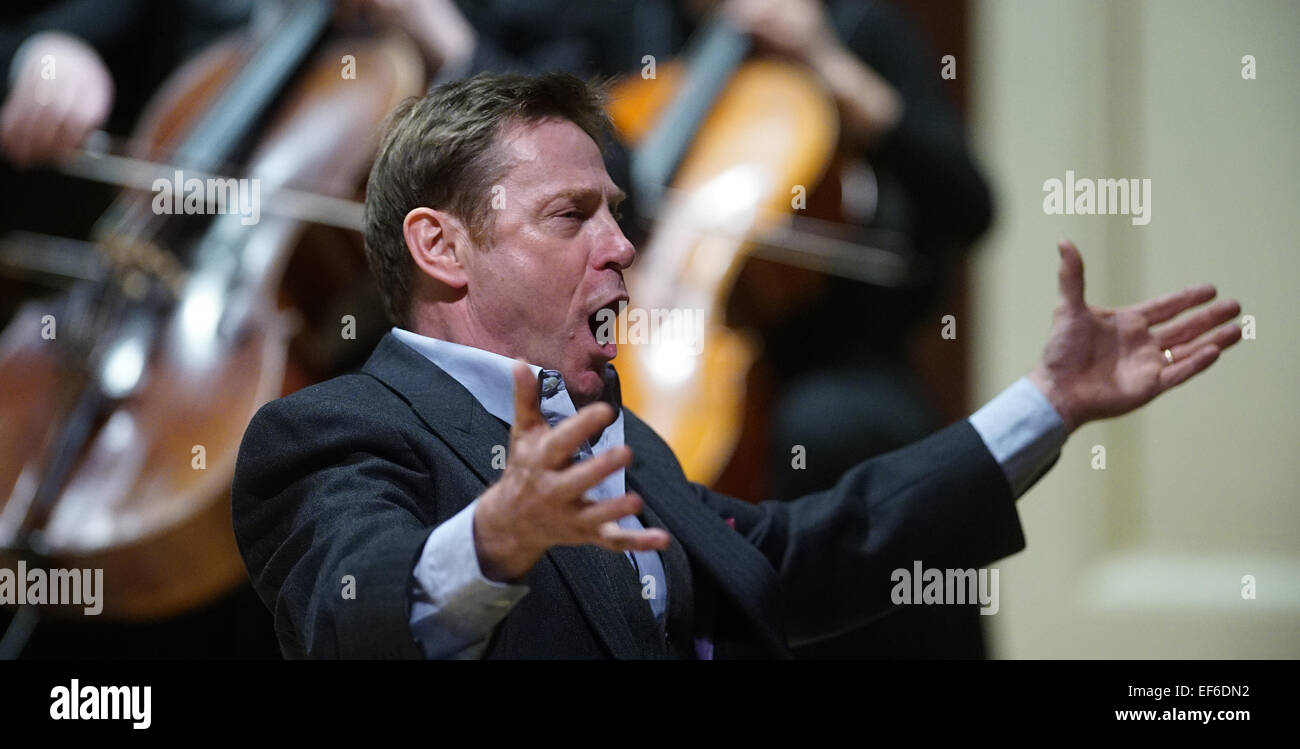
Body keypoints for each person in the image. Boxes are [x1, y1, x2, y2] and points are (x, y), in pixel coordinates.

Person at [231, 72, 1243, 659]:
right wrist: (493, 537)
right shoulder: (331, 429)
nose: (622, 246)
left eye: (617, 214)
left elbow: (802, 555)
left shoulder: (628, 442)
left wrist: (1046, 404)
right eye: (572, 215)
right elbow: (347, 620)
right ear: (441, 247)